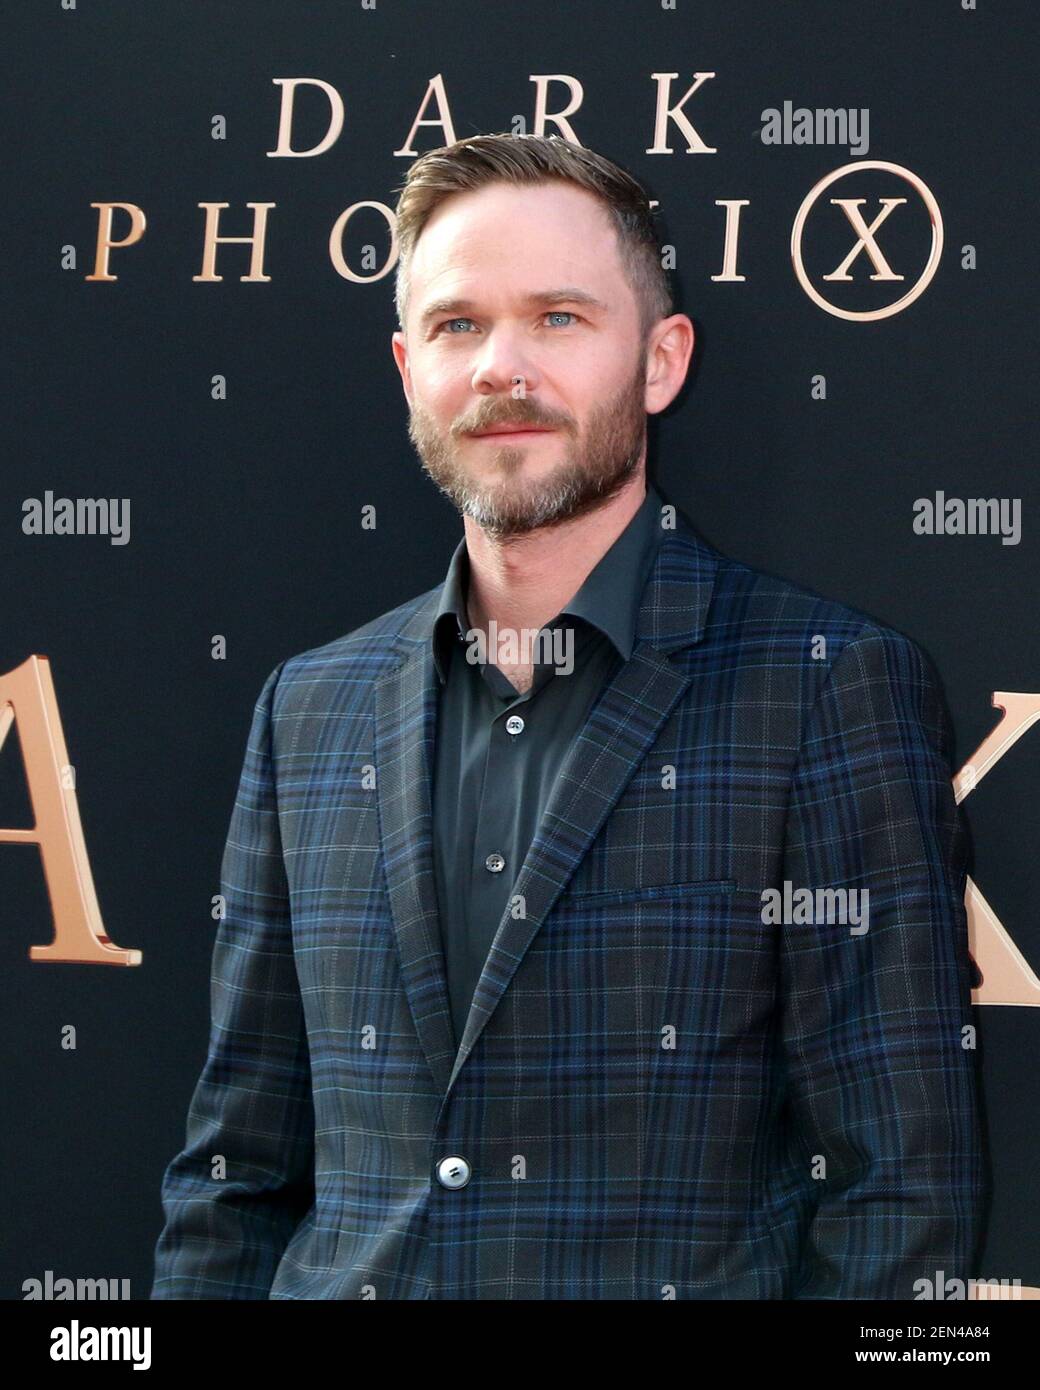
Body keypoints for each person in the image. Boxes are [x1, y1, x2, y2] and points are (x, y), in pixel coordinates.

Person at [152, 132, 985, 1300]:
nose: (501, 367)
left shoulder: (824, 686)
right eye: (456, 325)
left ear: (659, 359)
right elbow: (236, 1169)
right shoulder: (309, 706)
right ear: (406, 367)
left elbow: (895, 1192)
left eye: (558, 318)